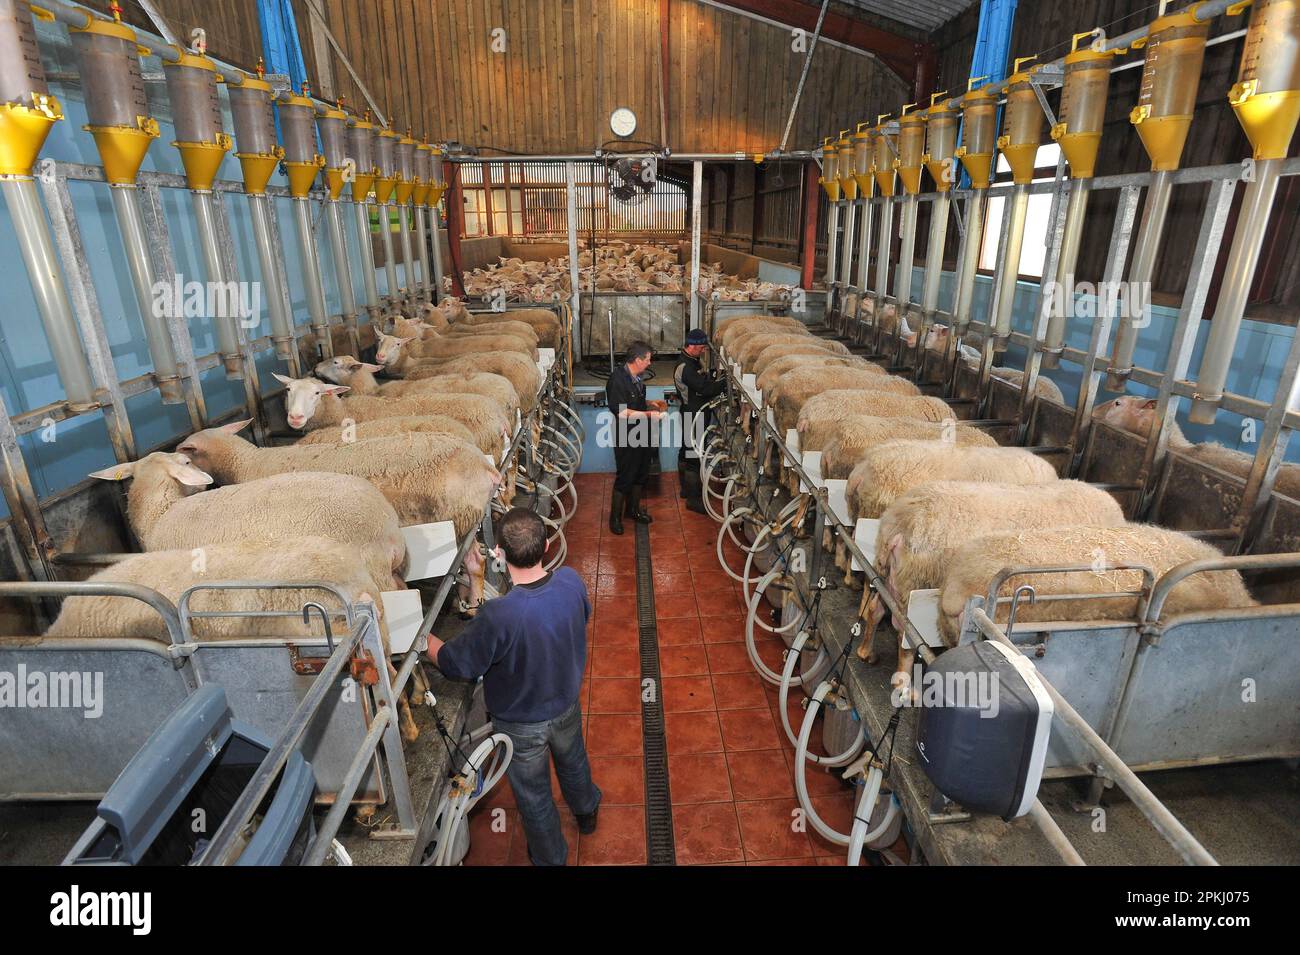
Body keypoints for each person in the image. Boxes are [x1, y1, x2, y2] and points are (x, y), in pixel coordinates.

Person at [427, 507, 600, 866]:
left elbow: (458, 662)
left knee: (534, 795)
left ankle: (551, 858)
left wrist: (422, 637)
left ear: (500, 556)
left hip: (521, 724)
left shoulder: (499, 614)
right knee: (573, 760)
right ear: (547, 545)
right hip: (565, 702)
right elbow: (577, 616)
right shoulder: (571, 581)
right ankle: (587, 812)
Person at [604, 340, 666, 535]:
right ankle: (615, 518)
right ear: (638, 360)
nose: (649, 363)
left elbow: (634, 402)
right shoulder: (617, 380)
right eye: (647, 359)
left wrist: (650, 403)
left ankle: (633, 510)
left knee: (641, 473)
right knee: (625, 476)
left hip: (642, 432)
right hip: (626, 434)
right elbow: (620, 411)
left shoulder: (637, 378)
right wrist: (649, 415)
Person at [673, 328, 726, 513]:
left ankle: (686, 490)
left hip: (693, 413)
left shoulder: (692, 361)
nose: (703, 350)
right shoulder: (686, 367)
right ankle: (693, 499)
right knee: (693, 455)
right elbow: (703, 388)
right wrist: (724, 384)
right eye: (702, 347)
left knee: (687, 450)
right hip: (693, 415)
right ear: (693, 346)